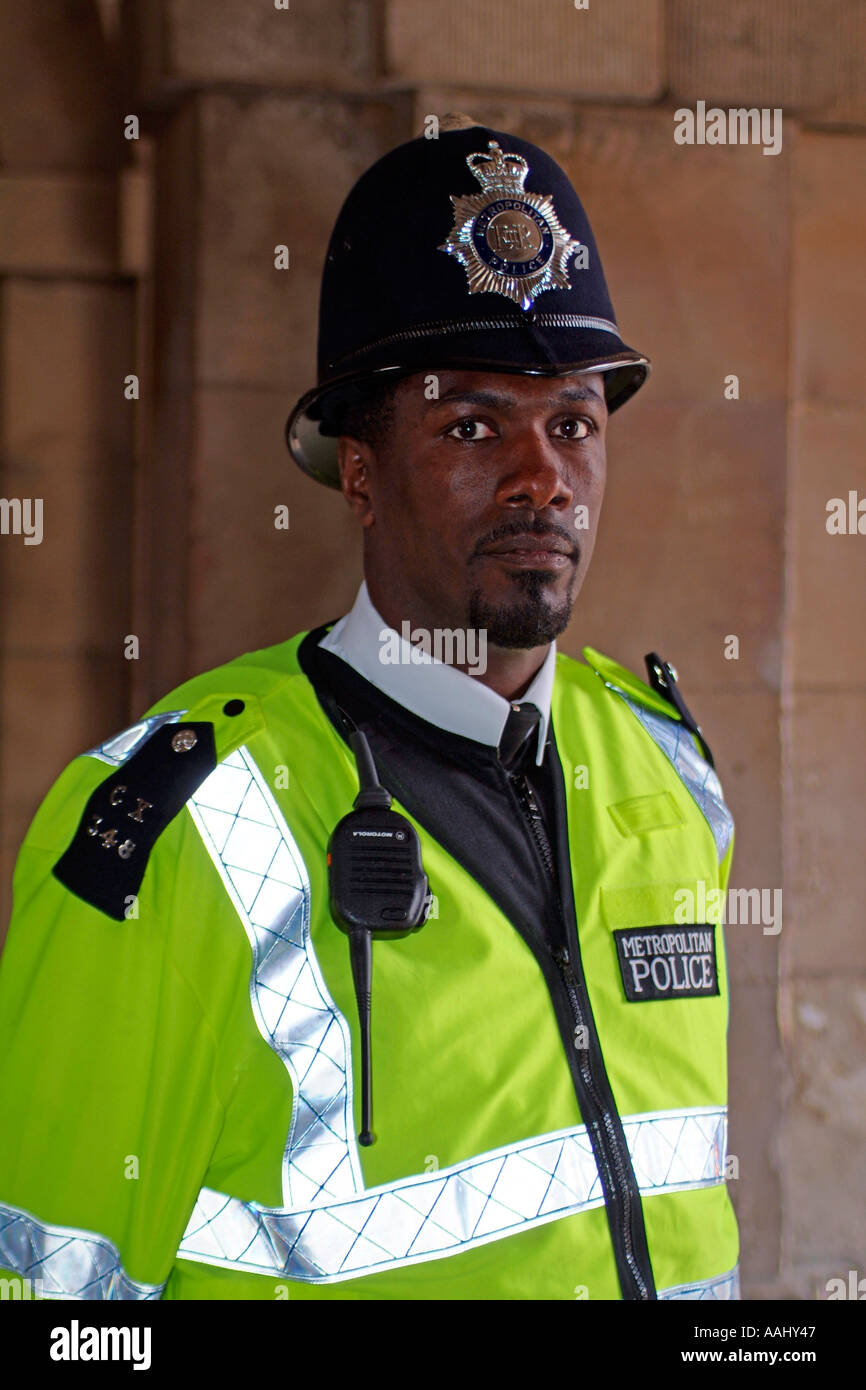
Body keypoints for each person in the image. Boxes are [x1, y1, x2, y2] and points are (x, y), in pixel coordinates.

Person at [0, 117, 739, 1301]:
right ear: (357, 469)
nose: (540, 476)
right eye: (470, 424)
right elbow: (52, 1298)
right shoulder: (184, 823)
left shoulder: (668, 773)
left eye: (572, 424)